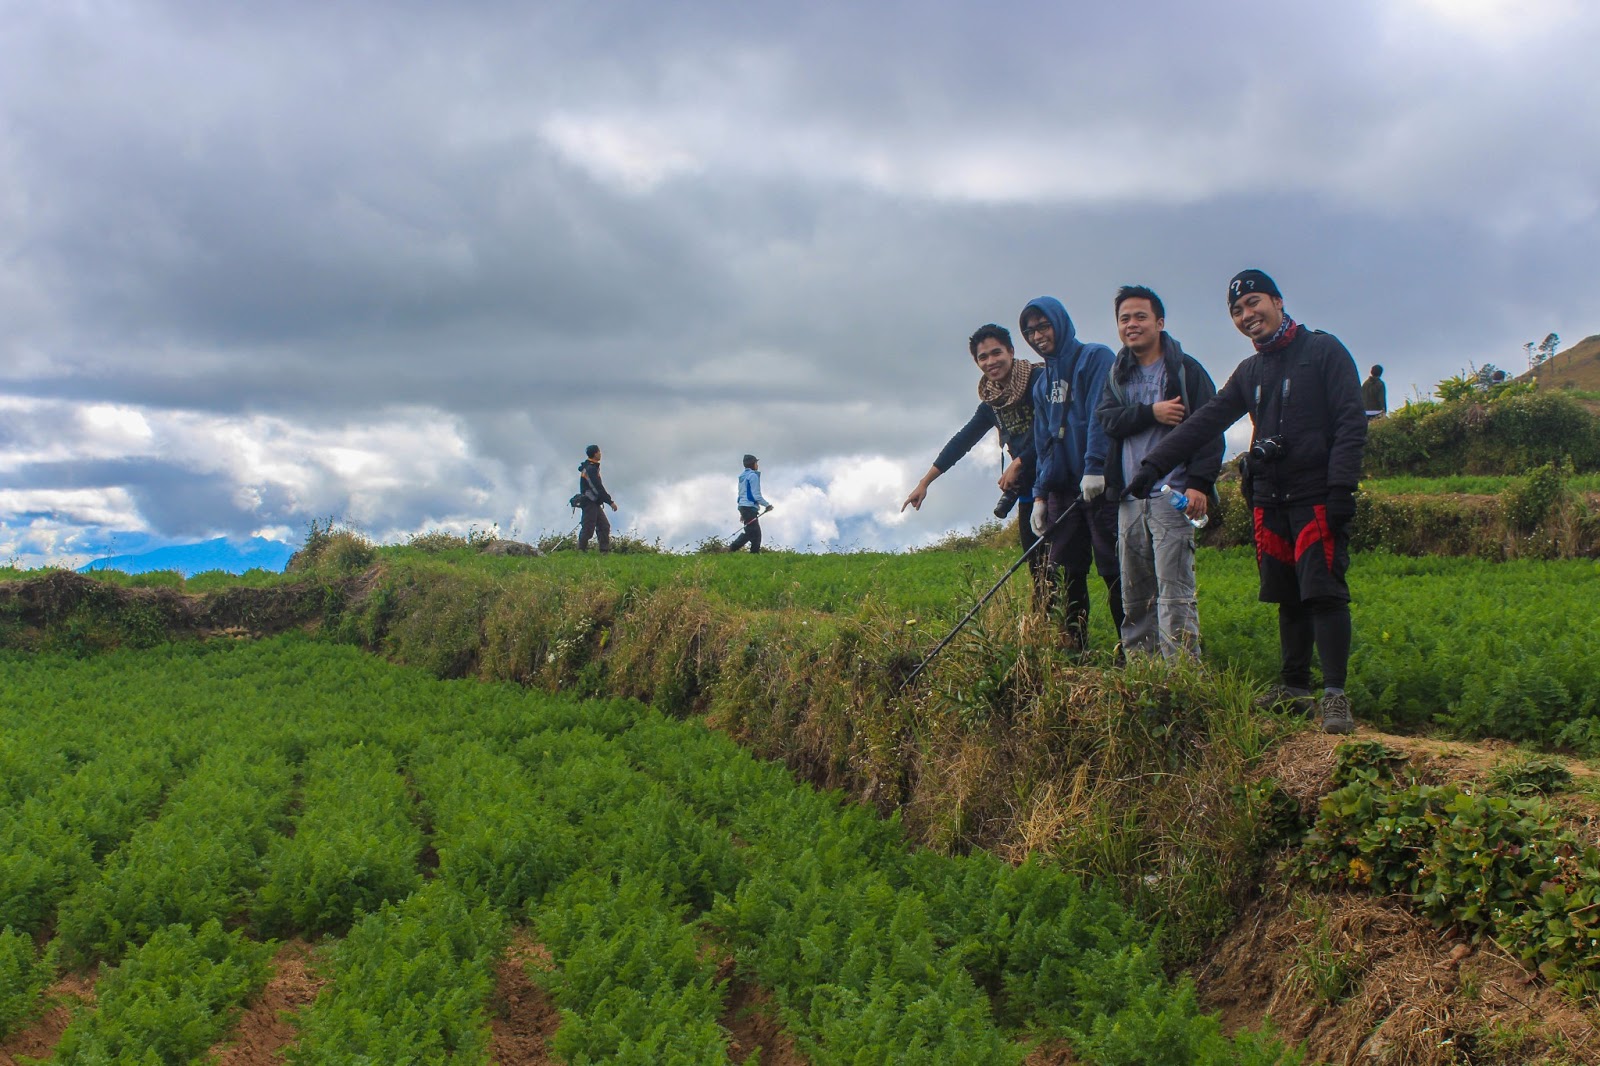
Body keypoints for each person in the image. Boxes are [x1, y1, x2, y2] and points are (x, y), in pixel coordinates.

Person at [1126, 269, 1367, 734]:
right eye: (1237, 310)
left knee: (1324, 591)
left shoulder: (1322, 351)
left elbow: (1350, 423)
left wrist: (1342, 489)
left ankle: (1335, 695)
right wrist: (1154, 466)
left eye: (1253, 303)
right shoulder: (1251, 371)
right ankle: (1295, 688)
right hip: (1270, 496)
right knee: (1288, 594)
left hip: (1316, 494)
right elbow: (1205, 421)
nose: (1246, 315)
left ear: (1277, 301)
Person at [1097, 285, 1223, 660]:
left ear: (1160, 322)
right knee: (1134, 593)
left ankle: (1182, 677)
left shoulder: (1185, 370)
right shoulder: (1118, 373)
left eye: (1140, 317)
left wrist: (1200, 484)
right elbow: (1106, 420)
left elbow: (1211, 427)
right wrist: (1151, 413)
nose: (1131, 325)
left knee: (1175, 590)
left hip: (1174, 494)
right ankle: (1142, 675)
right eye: (1124, 319)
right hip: (1129, 499)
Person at [901, 324, 1044, 583]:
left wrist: (1019, 461)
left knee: (1069, 569)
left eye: (996, 353)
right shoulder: (992, 403)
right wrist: (925, 483)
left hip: (1059, 485)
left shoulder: (1039, 381)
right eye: (983, 357)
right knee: (1039, 572)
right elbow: (962, 441)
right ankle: (1047, 623)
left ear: (1011, 351)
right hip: (1027, 489)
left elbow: (1055, 431)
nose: (991, 361)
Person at [1021, 297, 1124, 651]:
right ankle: (1076, 647)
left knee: (1114, 569)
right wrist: (1038, 494)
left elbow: (1100, 414)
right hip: (1063, 491)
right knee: (1068, 571)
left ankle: (1130, 647)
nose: (1037, 335)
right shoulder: (1040, 383)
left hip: (1099, 488)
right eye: (1031, 330)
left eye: (1043, 326)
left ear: (1059, 323)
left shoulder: (1095, 358)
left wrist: (1095, 467)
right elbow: (1043, 440)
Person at [728, 454, 773, 553]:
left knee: (754, 532)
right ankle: (732, 549)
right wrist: (767, 505)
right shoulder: (753, 476)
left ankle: (753, 554)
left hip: (744, 507)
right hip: (749, 507)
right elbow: (756, 495)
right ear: (753, 464)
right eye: (756, 463)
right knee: (753, 533)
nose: (757, 465)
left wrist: (742, 512)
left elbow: (742, 494)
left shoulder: (742, 477)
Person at [576, 444, 617, 552]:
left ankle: (604, 551)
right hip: (589, 502)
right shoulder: (590, 469)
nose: (600, 454)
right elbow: (597, 487)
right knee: (588, 528)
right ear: (595, 454)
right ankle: (581, 550)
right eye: (599, 452)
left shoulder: (591, 467)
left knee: (604, 526)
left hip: (595, 502)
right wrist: (610, 502)